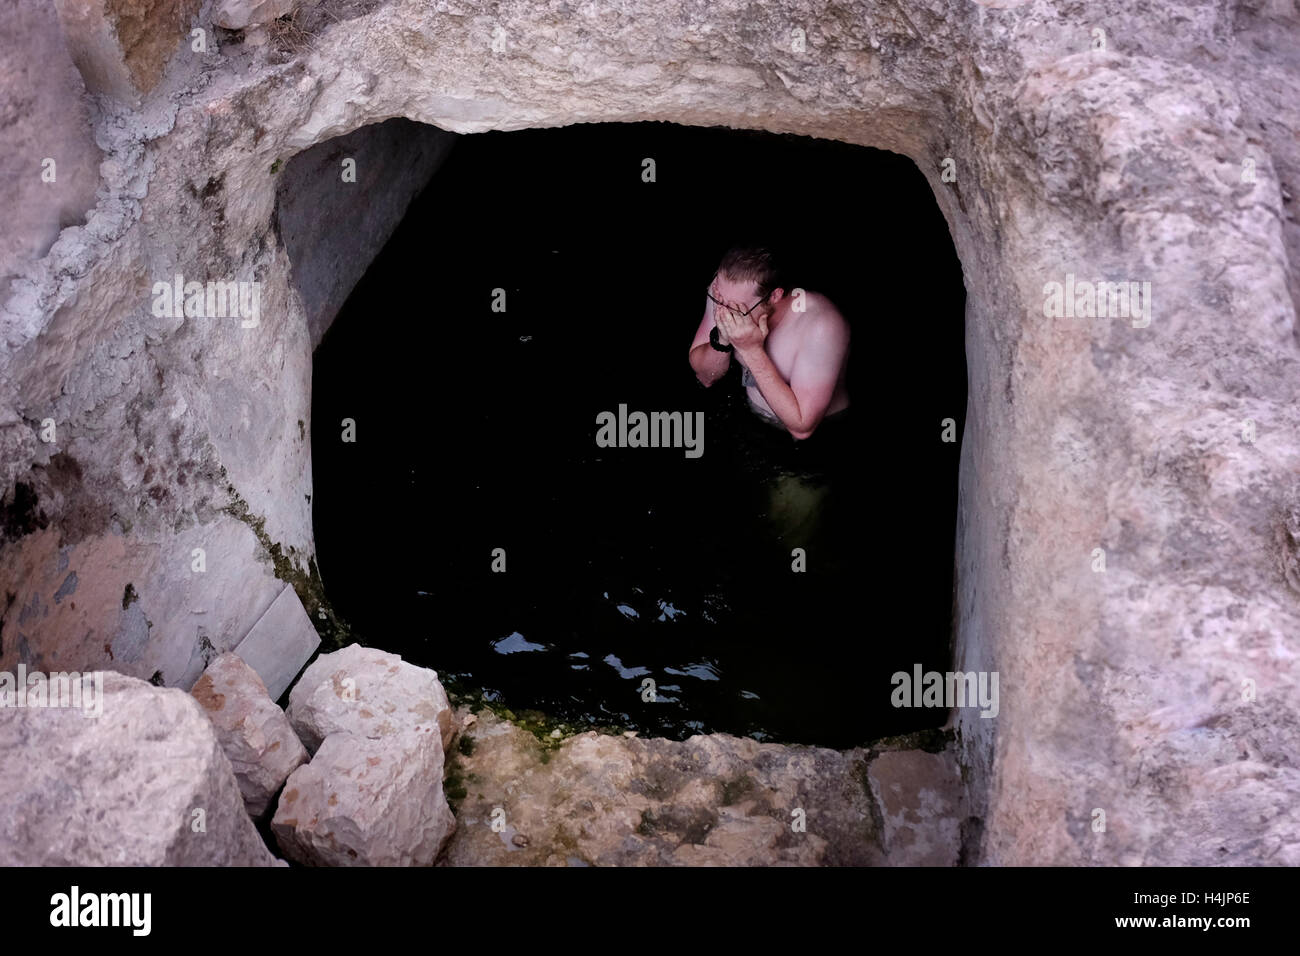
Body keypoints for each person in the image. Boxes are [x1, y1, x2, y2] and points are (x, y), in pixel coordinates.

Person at [686, 244, 853, 564]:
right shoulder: (725, 297)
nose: (723, 313)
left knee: (788, 533)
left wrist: (750, 350)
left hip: (808, 447)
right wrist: (722, 340)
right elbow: (705, 376)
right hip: (750, 421)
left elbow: (802, 426)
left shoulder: (820, 324)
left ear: (775, 296)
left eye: (734, 310)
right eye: (718, 301)